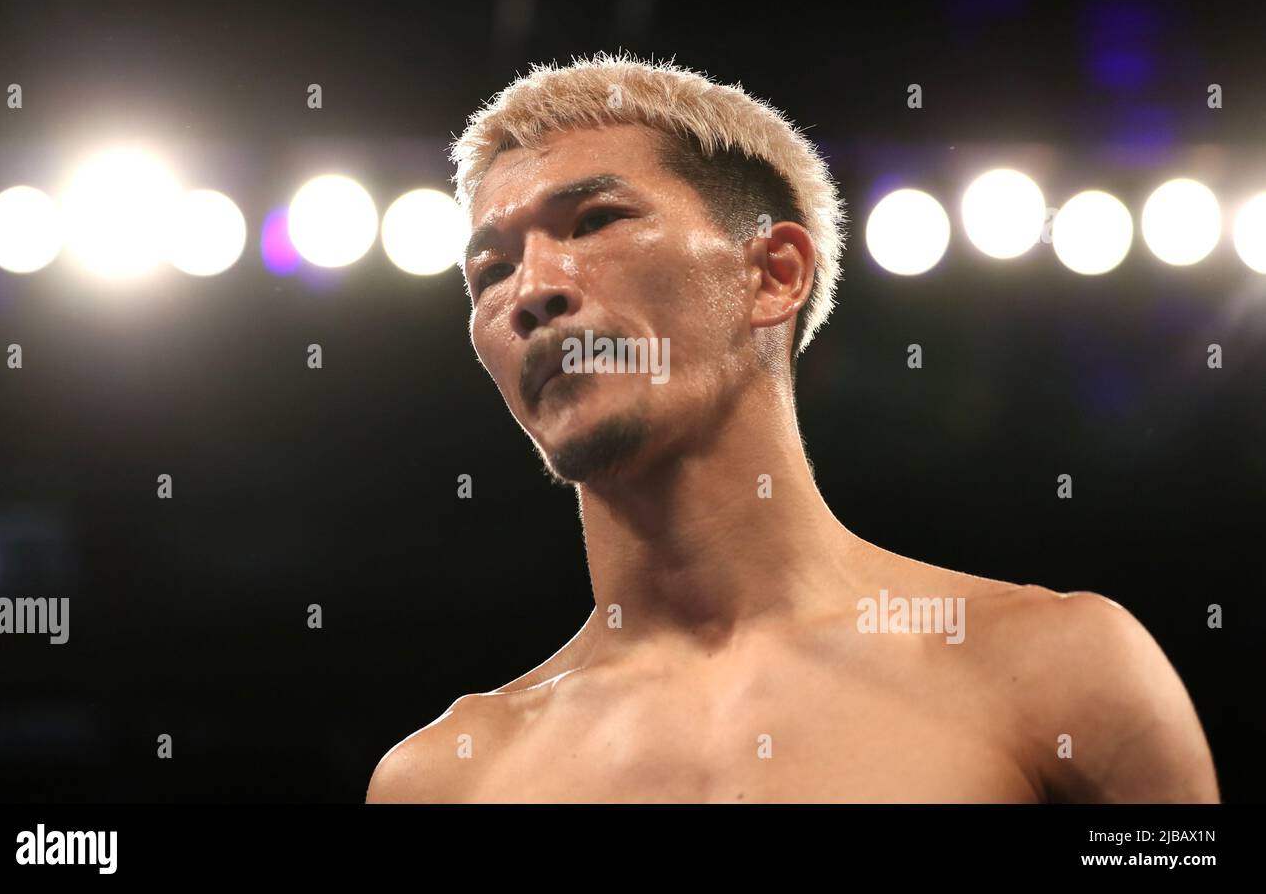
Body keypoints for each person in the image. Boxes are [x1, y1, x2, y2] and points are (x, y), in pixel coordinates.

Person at [368, 52, 1219, 802]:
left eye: (595, 221)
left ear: (773, 275)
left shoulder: (1057, 670)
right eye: (490, 269)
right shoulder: (448, 779)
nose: (531, 291)